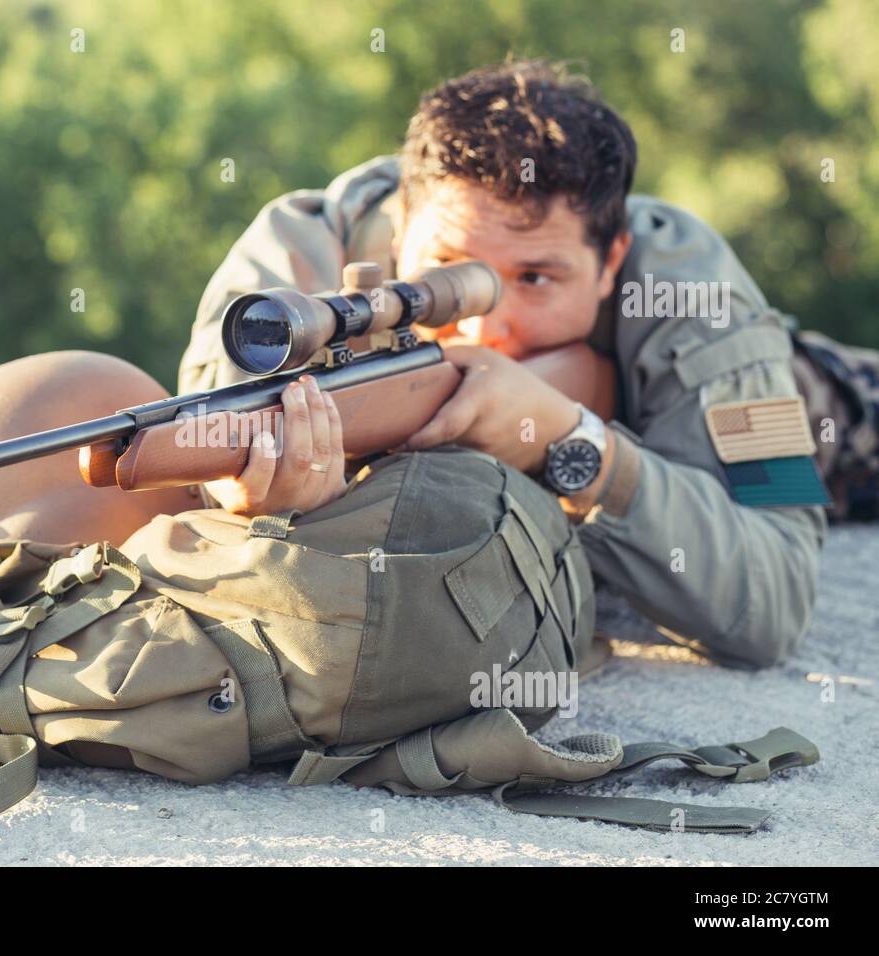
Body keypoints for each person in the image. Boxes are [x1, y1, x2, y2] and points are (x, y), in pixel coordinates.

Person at [177, 59, 879, 670]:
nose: (485, 324)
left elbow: (778, 600)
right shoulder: (292, 265)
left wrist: (575, 445)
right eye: (446, 269)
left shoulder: (695, 295)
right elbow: (207, 447)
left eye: (537, 278)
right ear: (398, 232)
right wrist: (253, 499)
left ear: (609, 263)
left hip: (836, 412)